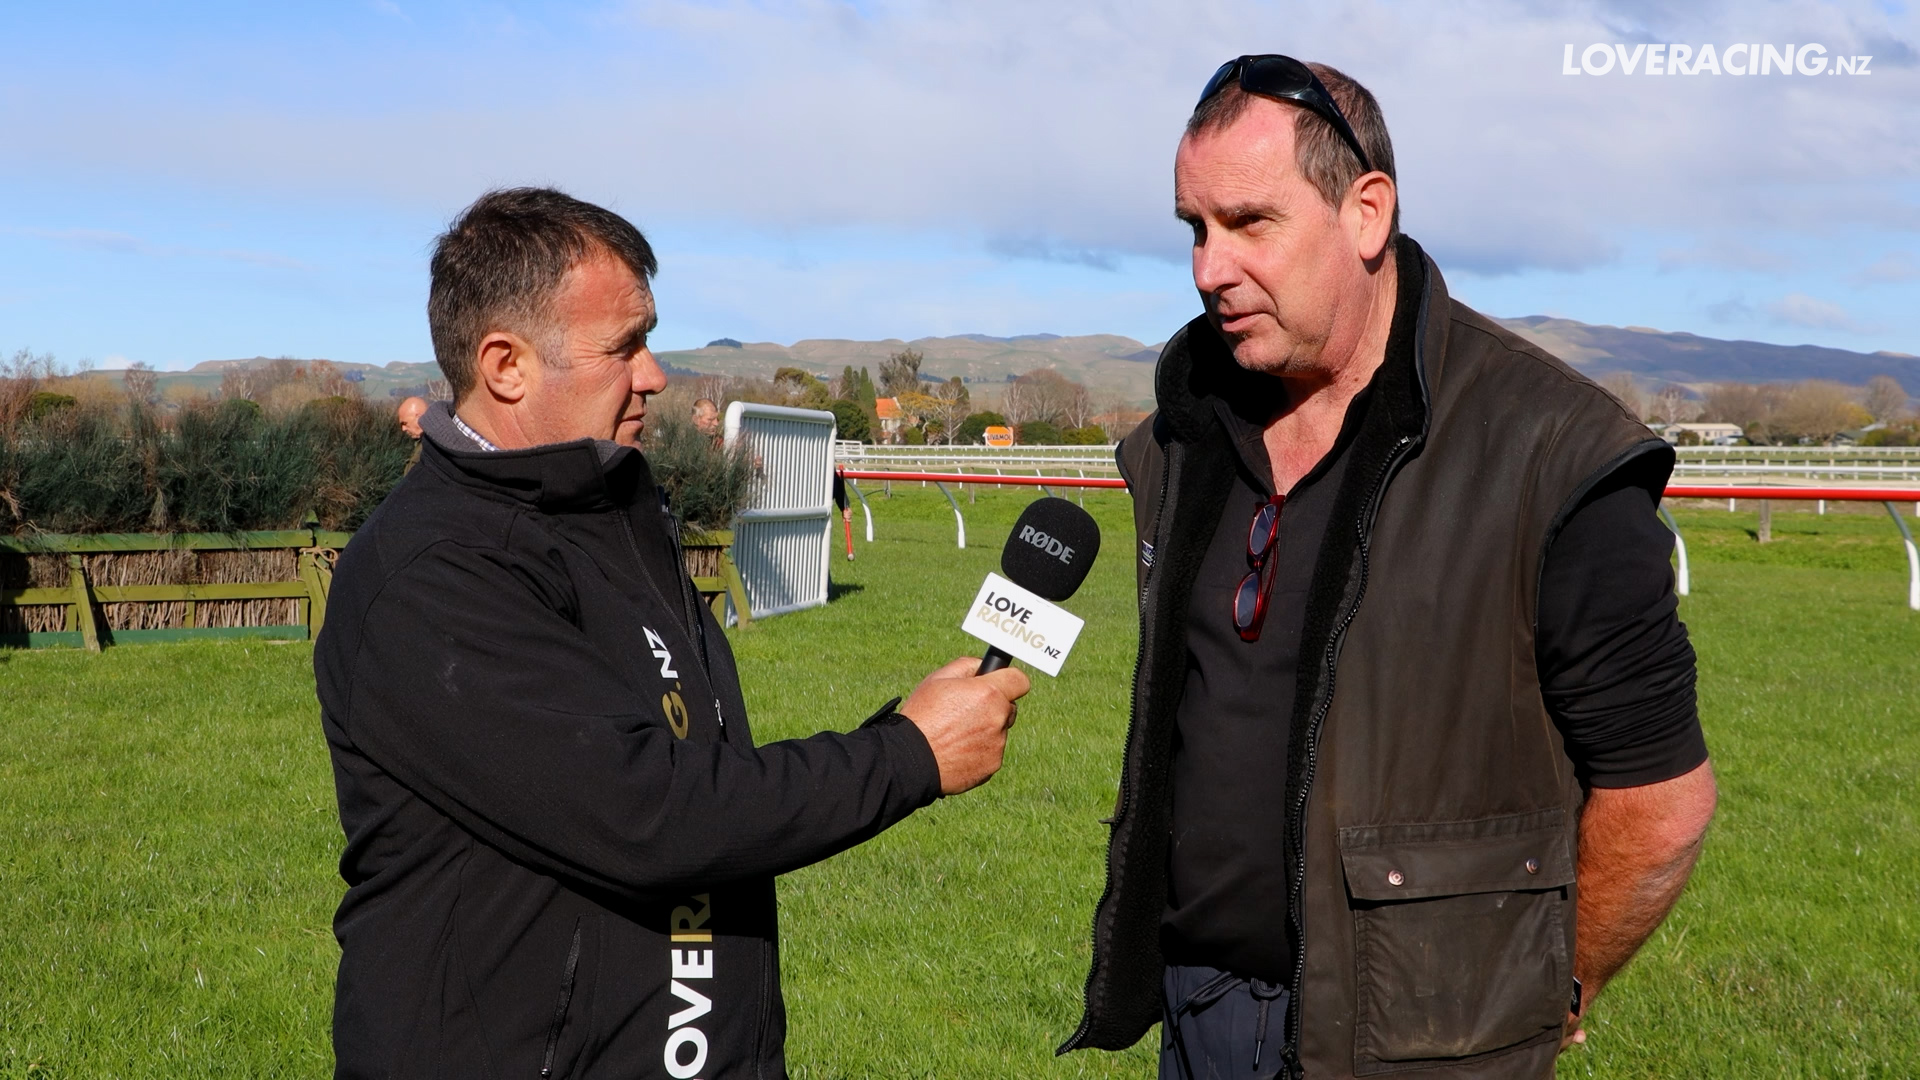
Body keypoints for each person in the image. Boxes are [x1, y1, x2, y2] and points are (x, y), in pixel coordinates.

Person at [1060, 57, 1716, 1080]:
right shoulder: (1183, 438)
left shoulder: (1551, 452)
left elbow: (1662, 800)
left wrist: (1541, 988)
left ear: (1367, 212)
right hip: (1194, 1020)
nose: (1207, 269)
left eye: (1249, 223)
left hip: (1416, 1049)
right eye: (1194, 228)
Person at [314, 187, 1029, 1079]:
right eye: (623, 346)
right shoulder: (431, 577)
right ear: (506, 366)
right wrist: (908, 754)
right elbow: (650, 813)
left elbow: (700, 774)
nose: (653, 374)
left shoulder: (617, 515)